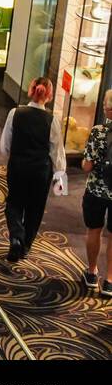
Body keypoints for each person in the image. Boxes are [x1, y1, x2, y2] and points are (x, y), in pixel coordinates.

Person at [0, 77, 66, 263]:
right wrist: (60, 179)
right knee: (35, 209)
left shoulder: (15, 113)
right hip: (40, 171)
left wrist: (12, 159)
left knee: (14, 203)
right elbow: (57, 152)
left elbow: (5, 145)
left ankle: (16, 237)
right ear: (50, 95)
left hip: (18, 167)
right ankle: (26, 245)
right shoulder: (52, 121)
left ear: (30, 90)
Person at [81, 89, 112, 297]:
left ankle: (92, 273)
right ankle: (110, 281)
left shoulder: (98, 131)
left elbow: (87, 166)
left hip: (96, 190)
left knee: (94, 229)